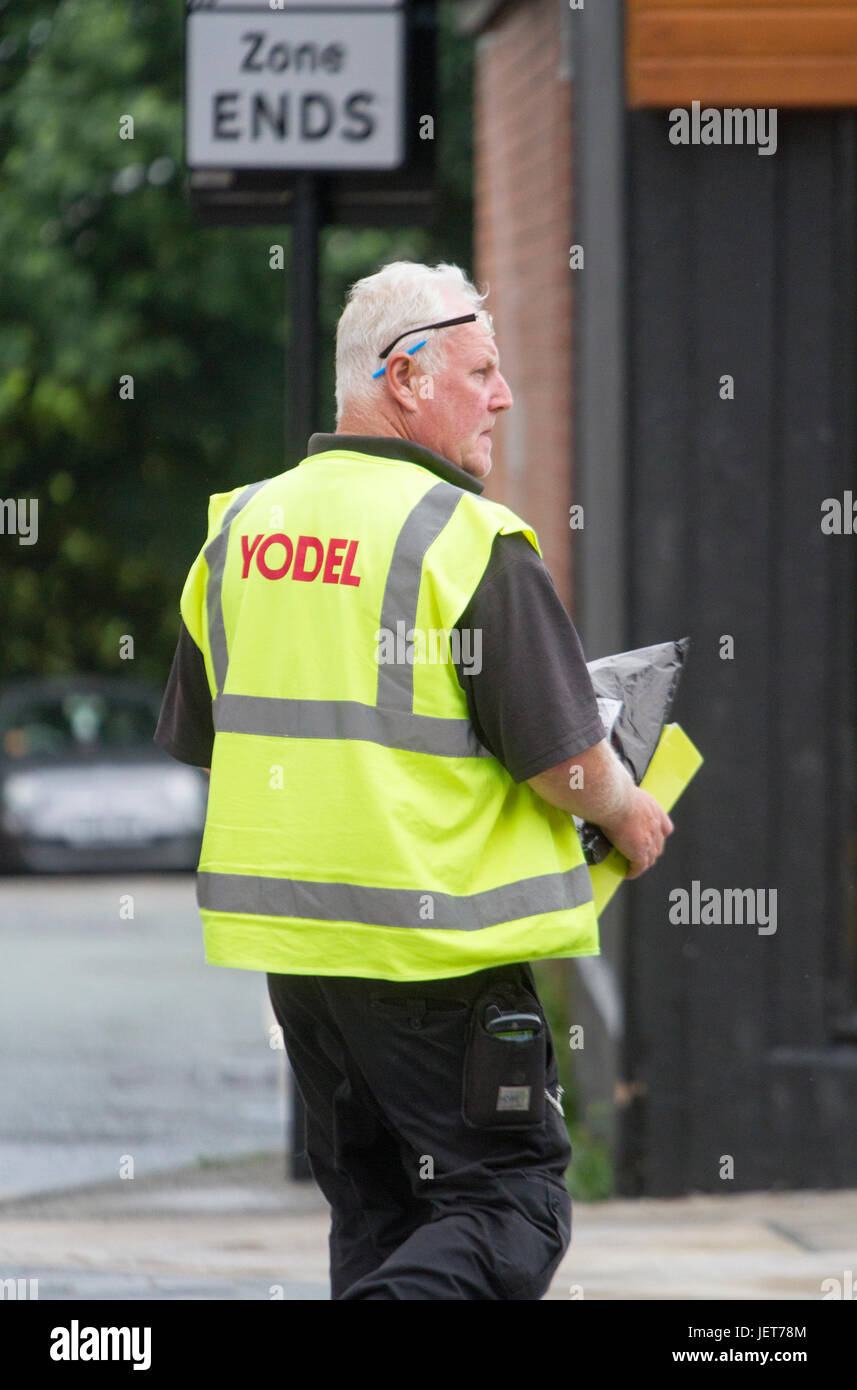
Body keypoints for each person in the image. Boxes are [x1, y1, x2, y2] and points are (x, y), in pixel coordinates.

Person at [155, 261, 672, 1300]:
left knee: (382, 1212)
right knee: (507, 1204)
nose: (503, 396)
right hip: (438, 955)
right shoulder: (465, 537)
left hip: (303, 959)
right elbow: (565, 760)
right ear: (403, 374)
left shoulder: (239, 530)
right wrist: (627, 806)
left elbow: (215, 735)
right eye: (479, 370)